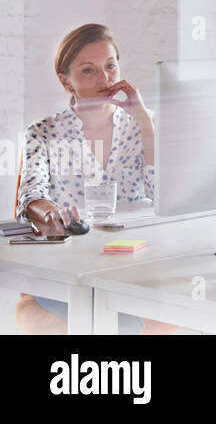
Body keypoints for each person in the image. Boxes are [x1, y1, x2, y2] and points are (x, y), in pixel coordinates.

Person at [14, 23, 159, 334]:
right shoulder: (43, 132)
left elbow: (166, 198)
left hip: (134, 270)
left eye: (110, 65)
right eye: (88, 71)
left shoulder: (143, 127)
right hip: (71, 272)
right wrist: (50, 214)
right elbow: (30, 198)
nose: (105, 79)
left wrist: (145, 122)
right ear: (66, 81)